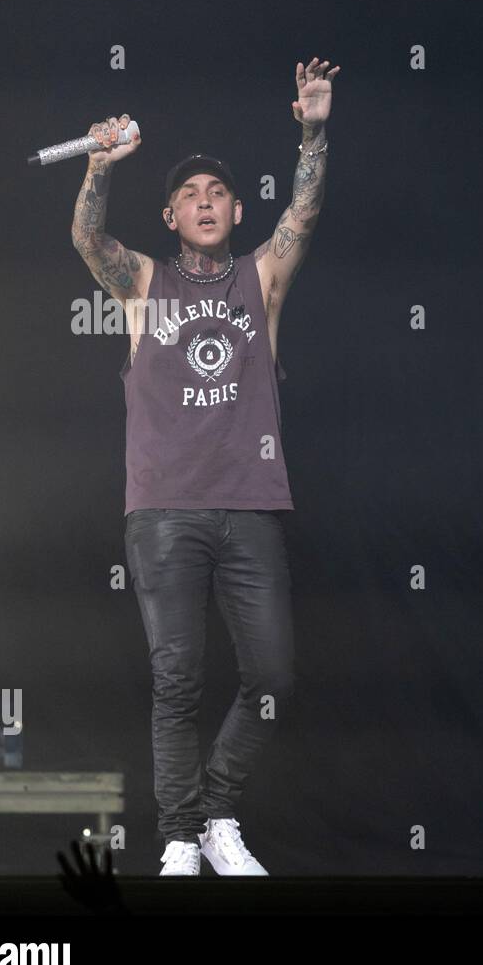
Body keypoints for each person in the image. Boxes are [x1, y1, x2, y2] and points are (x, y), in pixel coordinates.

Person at [70, 57, 340, 876]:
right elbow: (88, 241)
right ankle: (182, 837)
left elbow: (303, 213)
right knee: (177, 678)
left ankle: (218, 812)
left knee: (274, 676)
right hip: (163, 511)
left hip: (250, 505)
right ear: (171, 215)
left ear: (235, 208)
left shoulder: (261, 279)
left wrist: (313, 133)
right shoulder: (144, 284)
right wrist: (97, 168)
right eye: (189, 194)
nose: (205, 202)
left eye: (218, 192)